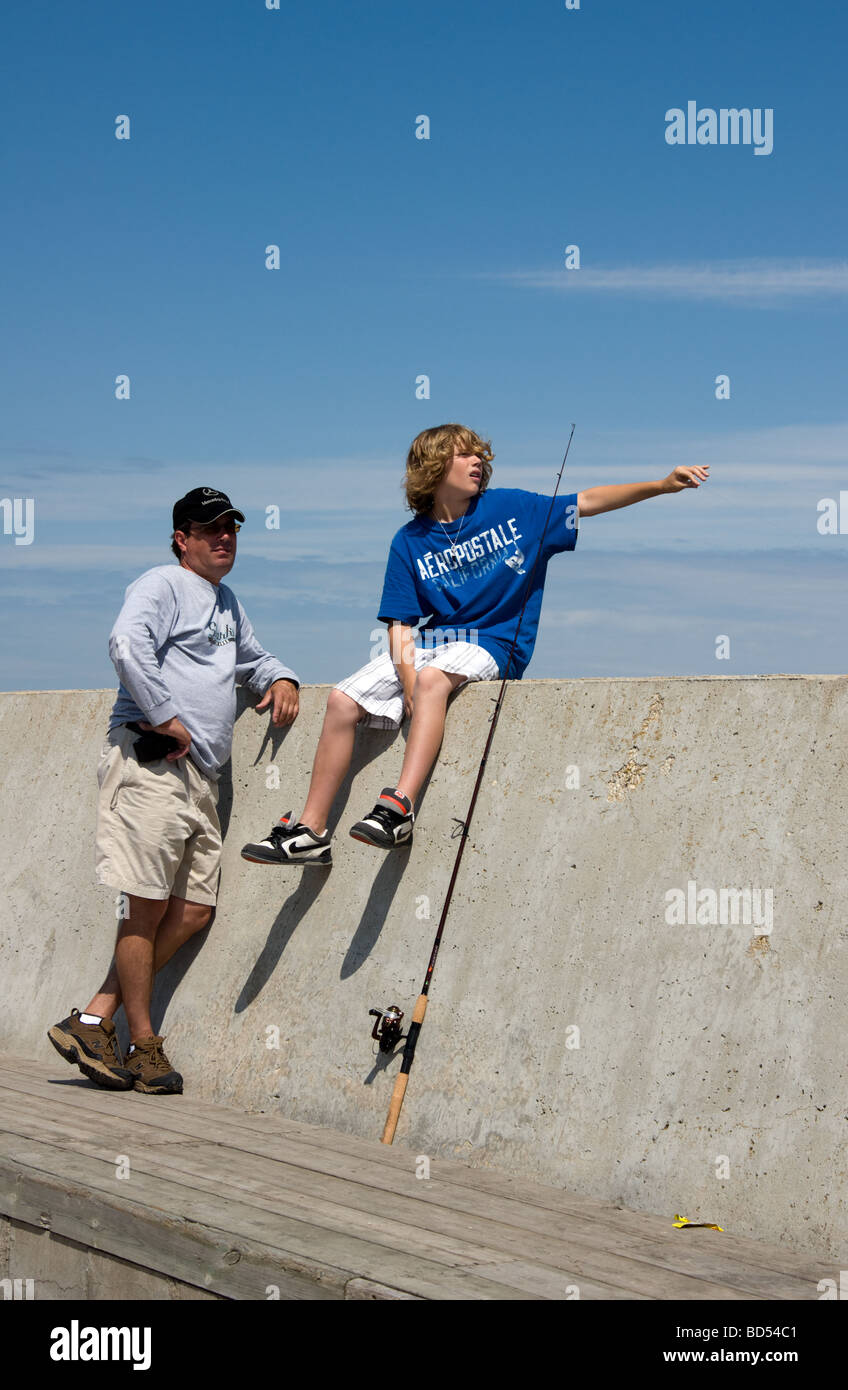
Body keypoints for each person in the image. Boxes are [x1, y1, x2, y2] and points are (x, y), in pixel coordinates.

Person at [241, 423, 708, 866]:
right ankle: (310, 831)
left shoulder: (512, 508)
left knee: (430, 680)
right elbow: (401, 626)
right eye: (463, 453)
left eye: (480, 453)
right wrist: (405, 683)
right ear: (432, 468)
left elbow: (584, 501)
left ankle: (399, 809)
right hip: (437, 642)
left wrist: (662, 484)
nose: (477, 460)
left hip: (497, 642)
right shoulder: (409, 541)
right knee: (343, 699)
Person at [47, 487, 300, 1094]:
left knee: (192, 911)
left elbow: (251, 661)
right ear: (181, 539)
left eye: (232, 528)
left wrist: (282, 676)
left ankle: (92, 1018)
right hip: (153, 764)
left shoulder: (227, 601)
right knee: (146, 906)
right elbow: (126, 646)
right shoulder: (160, 584)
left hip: (202, 778)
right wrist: (165, 714)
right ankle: (145, 1045)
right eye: (210, 529)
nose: (225, 538)